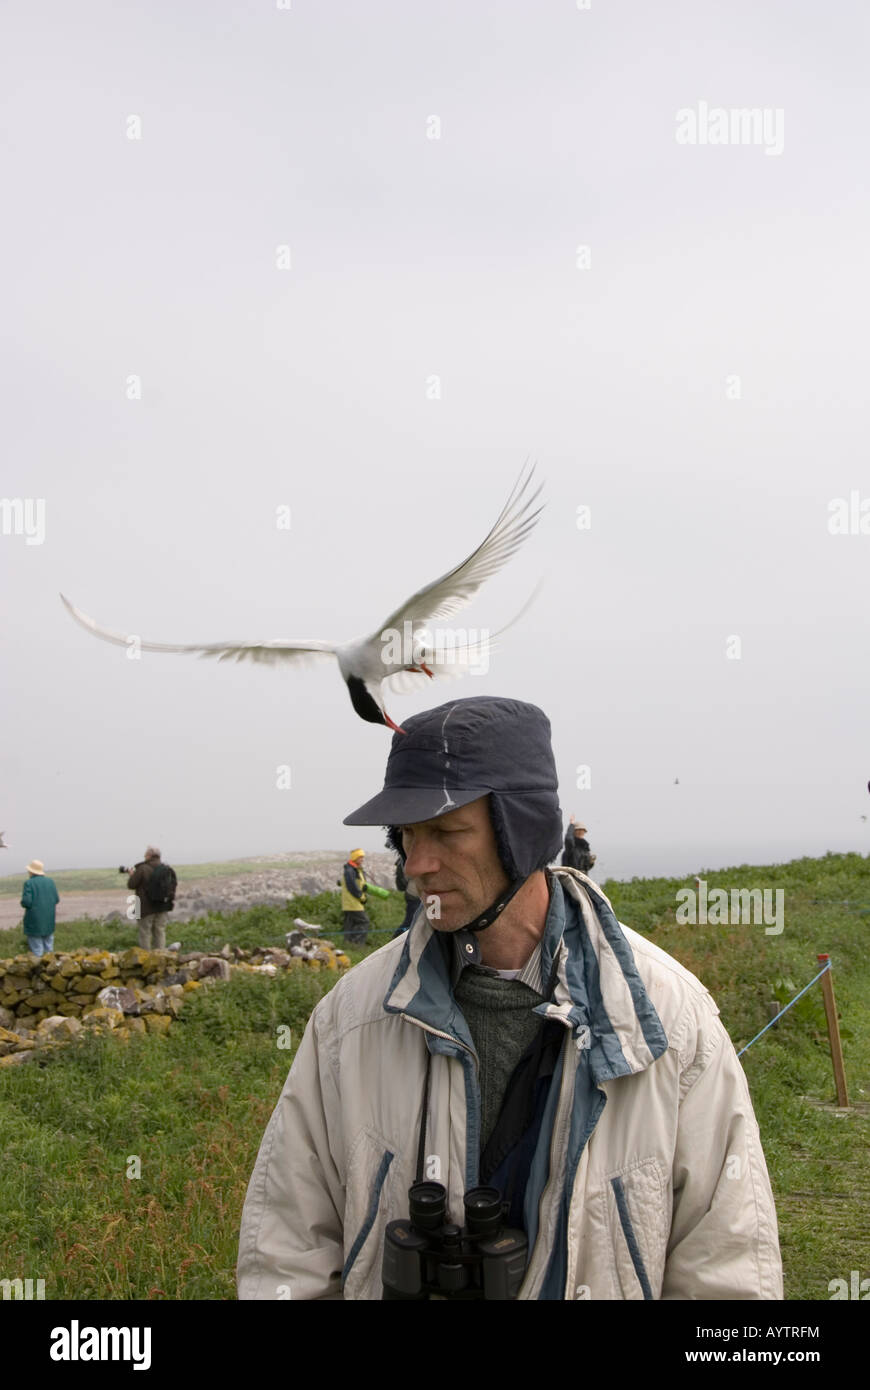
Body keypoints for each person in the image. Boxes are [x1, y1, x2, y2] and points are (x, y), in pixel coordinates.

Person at [237, 696, 783, 1301]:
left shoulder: (668, 1021)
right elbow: (286, 1252)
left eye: (446, 831)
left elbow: (727, 1269)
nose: (416, 864)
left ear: (519, 831)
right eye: (407, 835)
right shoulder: (350, 1019)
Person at [127, 846, 177, 950]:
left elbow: (131, 885)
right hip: (162, 906)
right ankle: (160, 956)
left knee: (145, 933)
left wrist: (132, 875)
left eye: (145, 854)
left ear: (149, 856)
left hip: (145, 907)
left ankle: (146, 959)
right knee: (160, 931)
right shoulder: (165, 868)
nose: (144, 856)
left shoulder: (142, 869)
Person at [20, 859, 60, 957]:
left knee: (37, 950)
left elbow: (26, 902)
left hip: (34, 921)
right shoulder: (50, 882)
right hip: (49, 920)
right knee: (49, 950)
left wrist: (23, 903)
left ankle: (39, 972)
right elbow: (56, 899)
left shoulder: (29, 883)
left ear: (32, 871)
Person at [338, 848, 371, 946]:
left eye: (362, 857)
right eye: (360, 857)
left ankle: (348, 944)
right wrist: (361, 897)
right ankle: (357, 944)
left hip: (349, 903)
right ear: (355, 858)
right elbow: (352, 886)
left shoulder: (354, 869)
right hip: (353, 902)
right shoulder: (350, 870)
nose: (362, 859)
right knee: (364, 921)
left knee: (350, 924)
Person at [390, 851, 419, 939]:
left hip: (414, 893)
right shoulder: (410, 861)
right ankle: (396, 938)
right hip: (414, 894)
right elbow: (409, 876)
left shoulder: (407, 860)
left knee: (415, 920)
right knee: (410, 920)